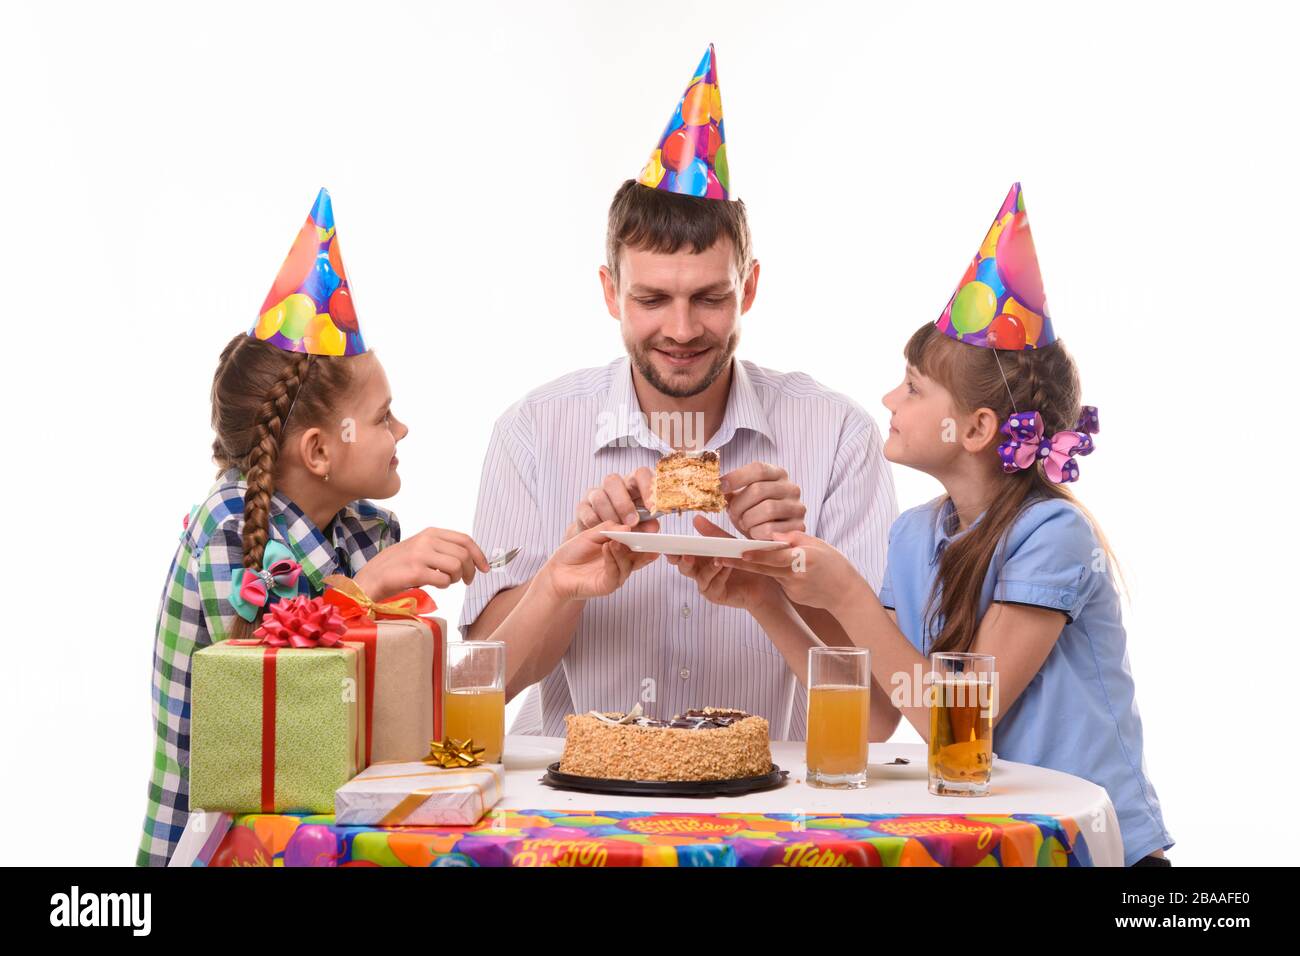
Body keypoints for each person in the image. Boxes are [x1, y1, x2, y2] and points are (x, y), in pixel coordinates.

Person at [719, 184, 1173, 866]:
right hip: (999, 845)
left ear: (976, 427)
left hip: (1085, 850)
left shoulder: (1052, 535)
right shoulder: (912, 535)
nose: (888, 399)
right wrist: (766, 599)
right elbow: (875, 716)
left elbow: (957, 730)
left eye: (913, 387)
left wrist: (846, 595)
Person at [459, 44, 897, 741]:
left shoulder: (836, 433)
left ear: (749, 288)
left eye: (711, 298)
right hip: (578, 812)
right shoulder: (535, 429)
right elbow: (477, 687)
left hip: (762, 815)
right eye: (653, 299)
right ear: (611, 292)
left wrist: (788, 571)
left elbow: (875, 718)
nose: (683, 329)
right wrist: (562, 582)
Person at [136, 189, 492, 865]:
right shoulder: (230, 524)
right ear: (320, 451)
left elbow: (381, 716)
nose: (403, 430)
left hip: (336, 841)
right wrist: (372, 586)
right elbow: (288, 706)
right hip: (224, 847)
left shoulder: (366, 531)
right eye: (385, 416)